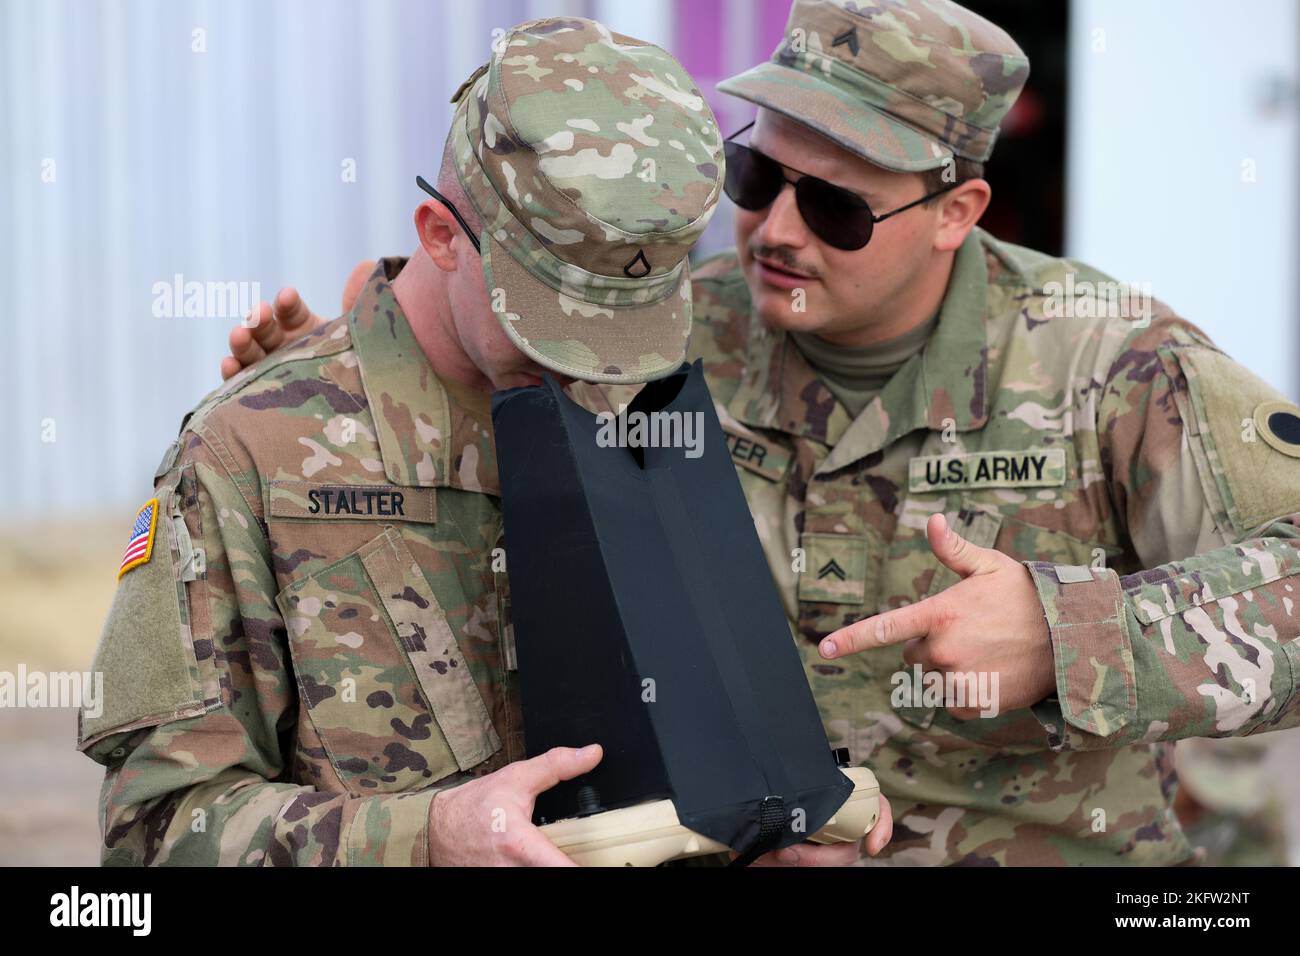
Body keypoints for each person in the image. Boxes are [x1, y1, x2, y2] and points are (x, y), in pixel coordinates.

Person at [223, 0, 1300, 865]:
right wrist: (337, 379)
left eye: (834, 207)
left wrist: (1069, 634)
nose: (775, 229)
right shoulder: (658, 327)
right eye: (754, 176)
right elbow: (479, 397)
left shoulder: (1108, 363)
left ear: (955, 211)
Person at [80, 16, 895, 867]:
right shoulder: (249, 455)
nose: (594, 357)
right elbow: (155, 830)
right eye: (552, 317)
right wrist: (424, 839)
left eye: (628, 319)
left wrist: (771, 833)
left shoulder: (656, 418)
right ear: (441, 235)